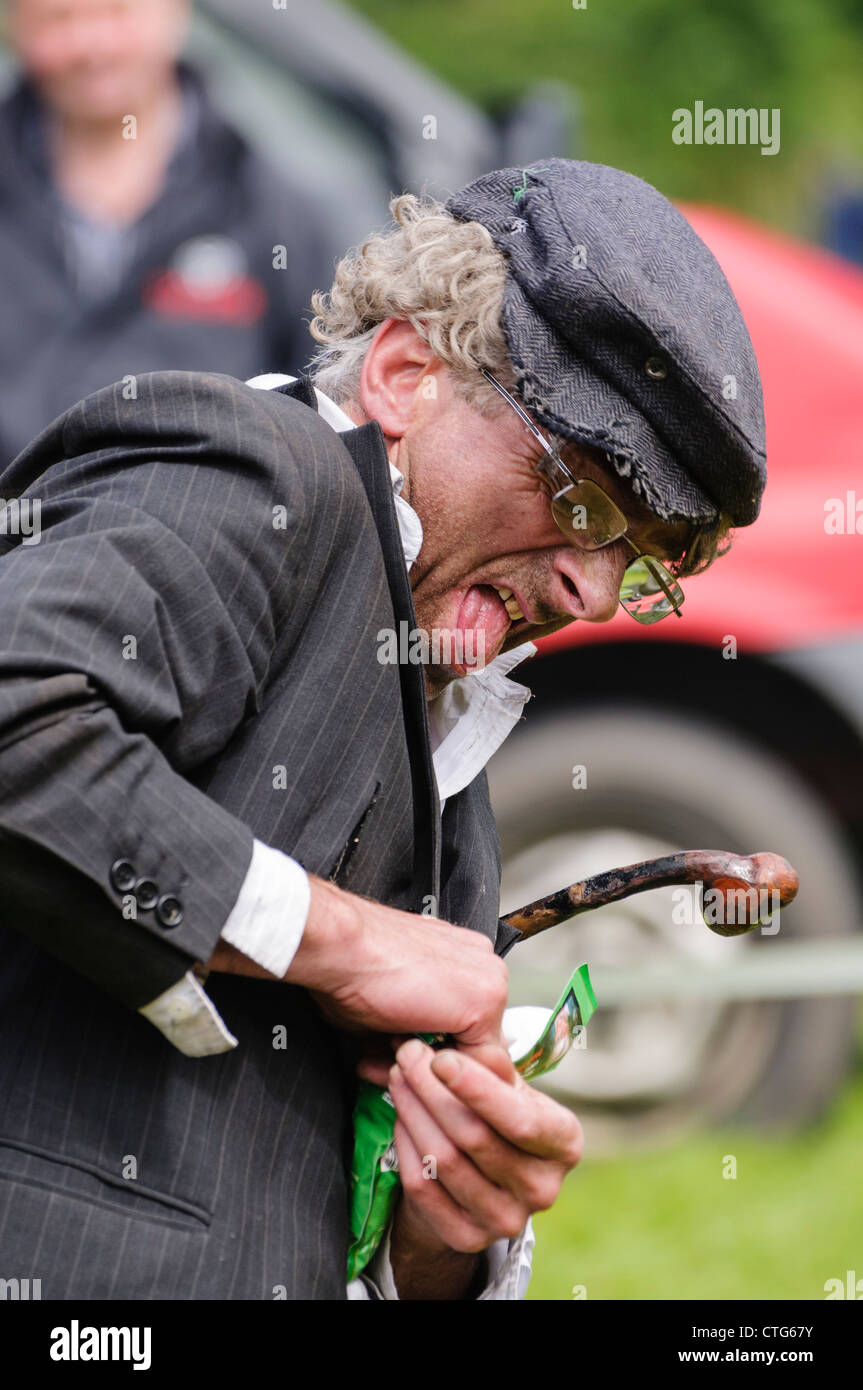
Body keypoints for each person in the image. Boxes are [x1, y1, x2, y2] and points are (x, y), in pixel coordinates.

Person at [0, 158, 767, 1300]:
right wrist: (353, 944)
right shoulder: (264, 467)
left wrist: (446, 1229)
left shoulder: (447, 714)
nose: (591, 595)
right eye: (580, 503)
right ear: (408, 374)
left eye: (639, 557)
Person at [0, 0, 334, 465]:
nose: (92, 45)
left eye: (117, 12)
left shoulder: (271, 209)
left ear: (175, 12)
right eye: (59, 18)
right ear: (15, 27)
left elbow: (322, 426)